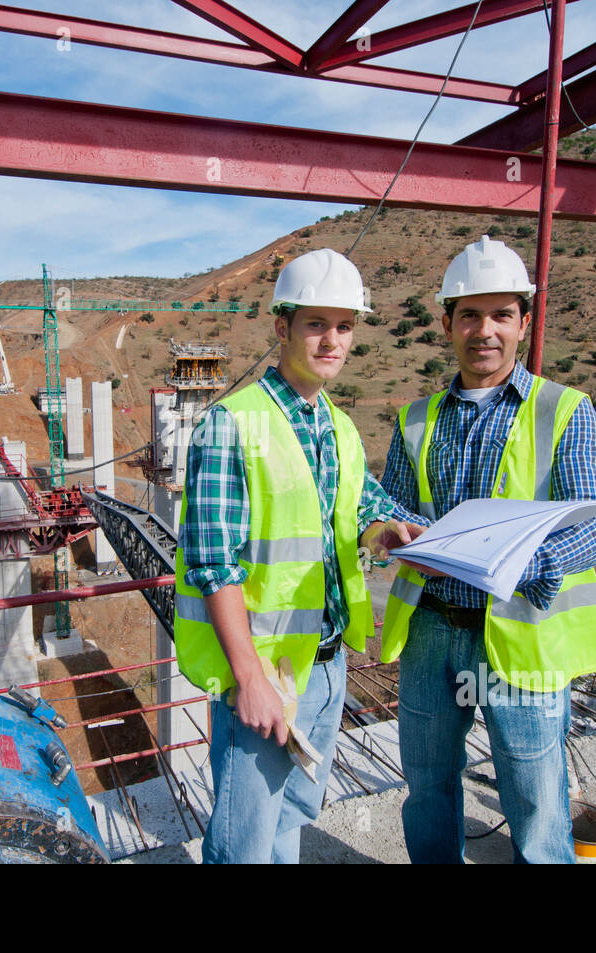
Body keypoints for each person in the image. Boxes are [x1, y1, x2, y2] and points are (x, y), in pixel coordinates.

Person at [173, 248, 422, 864]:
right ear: (281, 327)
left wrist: (386, 532)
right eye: (316, 324)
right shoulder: (232, 424)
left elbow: (363, 512)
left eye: (344, 326)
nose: (332, 340)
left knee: (291, 819)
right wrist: (250, 679)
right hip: (262, 676)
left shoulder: (338, 426)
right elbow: (213, 563)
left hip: (328, 663)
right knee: (244, 842)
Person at [378, 235, 596, 864]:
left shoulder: (564, 411)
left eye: (501, 315)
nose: (484, 330)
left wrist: (527, 564)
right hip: (433, 630)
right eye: (469, 315)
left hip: (520, 629)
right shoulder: (415, 418)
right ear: (447, 323)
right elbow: (393, 507)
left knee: (536, 798)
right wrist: (397, 528)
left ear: (523, 323)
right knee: (427, 786)